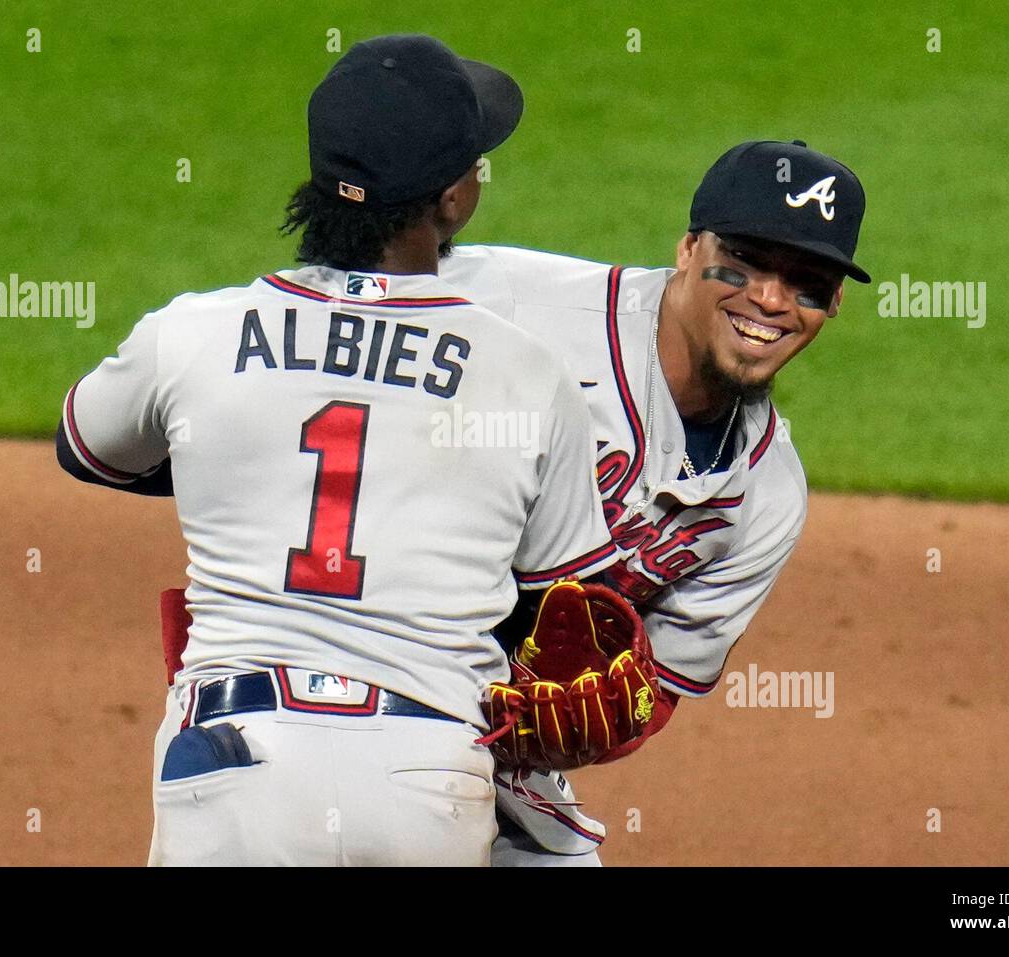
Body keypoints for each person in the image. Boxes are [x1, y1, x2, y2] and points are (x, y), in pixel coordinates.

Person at [56, 34, 618, 866]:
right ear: (456, 198)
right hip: (424, 775)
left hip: (231, 759)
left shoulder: (191, 334)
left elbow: (88, 446)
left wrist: (255, 464)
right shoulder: (529, 376)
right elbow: (561, 606)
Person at [439, 139, 871, 865]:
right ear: (687, 247)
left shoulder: (766, 501)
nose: (769, 298)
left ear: (835, 302)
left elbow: (657, 692)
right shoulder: (510, 301)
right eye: (745, 261)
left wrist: (578, 727)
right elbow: (326, 323)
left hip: (494, 758)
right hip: (362, 672)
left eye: (805, 282)